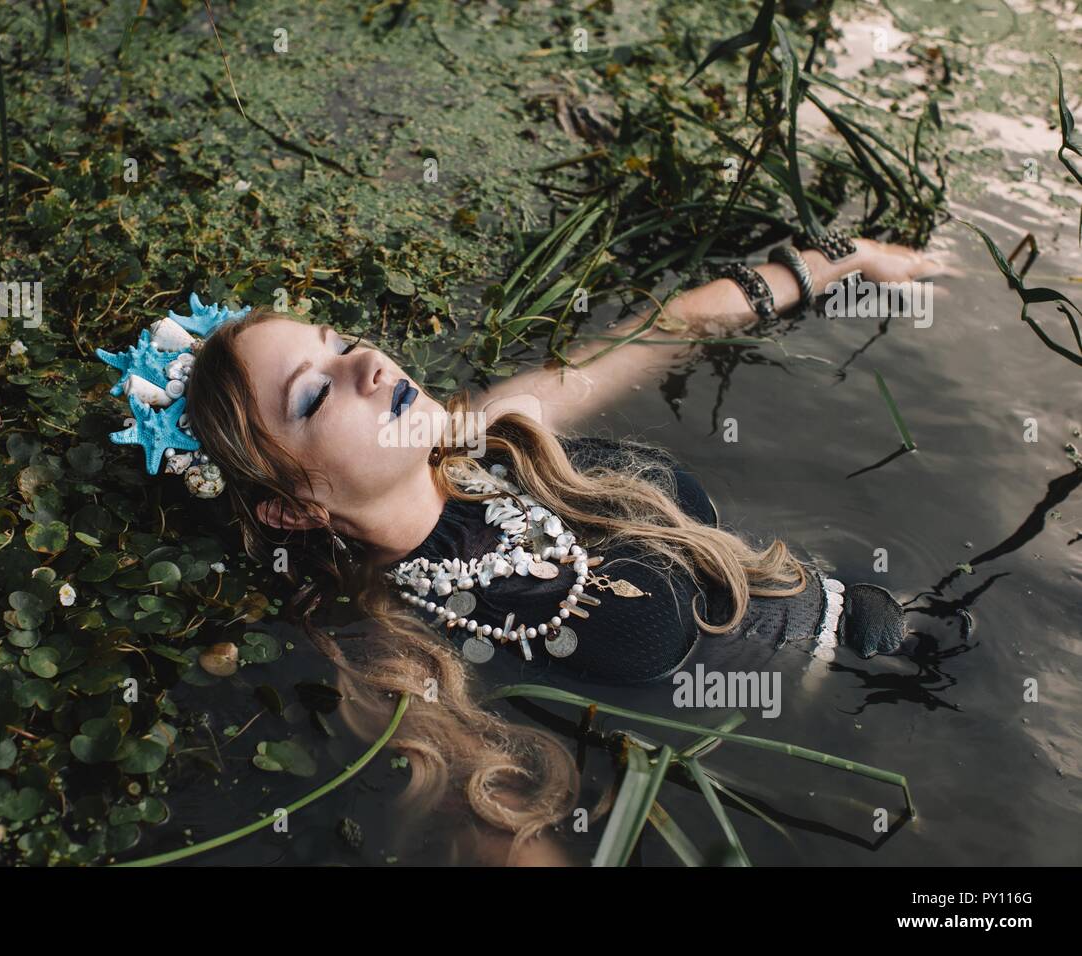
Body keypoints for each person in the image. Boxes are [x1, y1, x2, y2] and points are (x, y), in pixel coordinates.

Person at [102, 231, 940, 865]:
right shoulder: (389, 653)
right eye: (316, 394)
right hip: (871, 748)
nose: (369, 365)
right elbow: (498, 817)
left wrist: (850, 260)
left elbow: (659, 331)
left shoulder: (489, 433)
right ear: (293, 509)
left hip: (919, 613)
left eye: (343, 342)